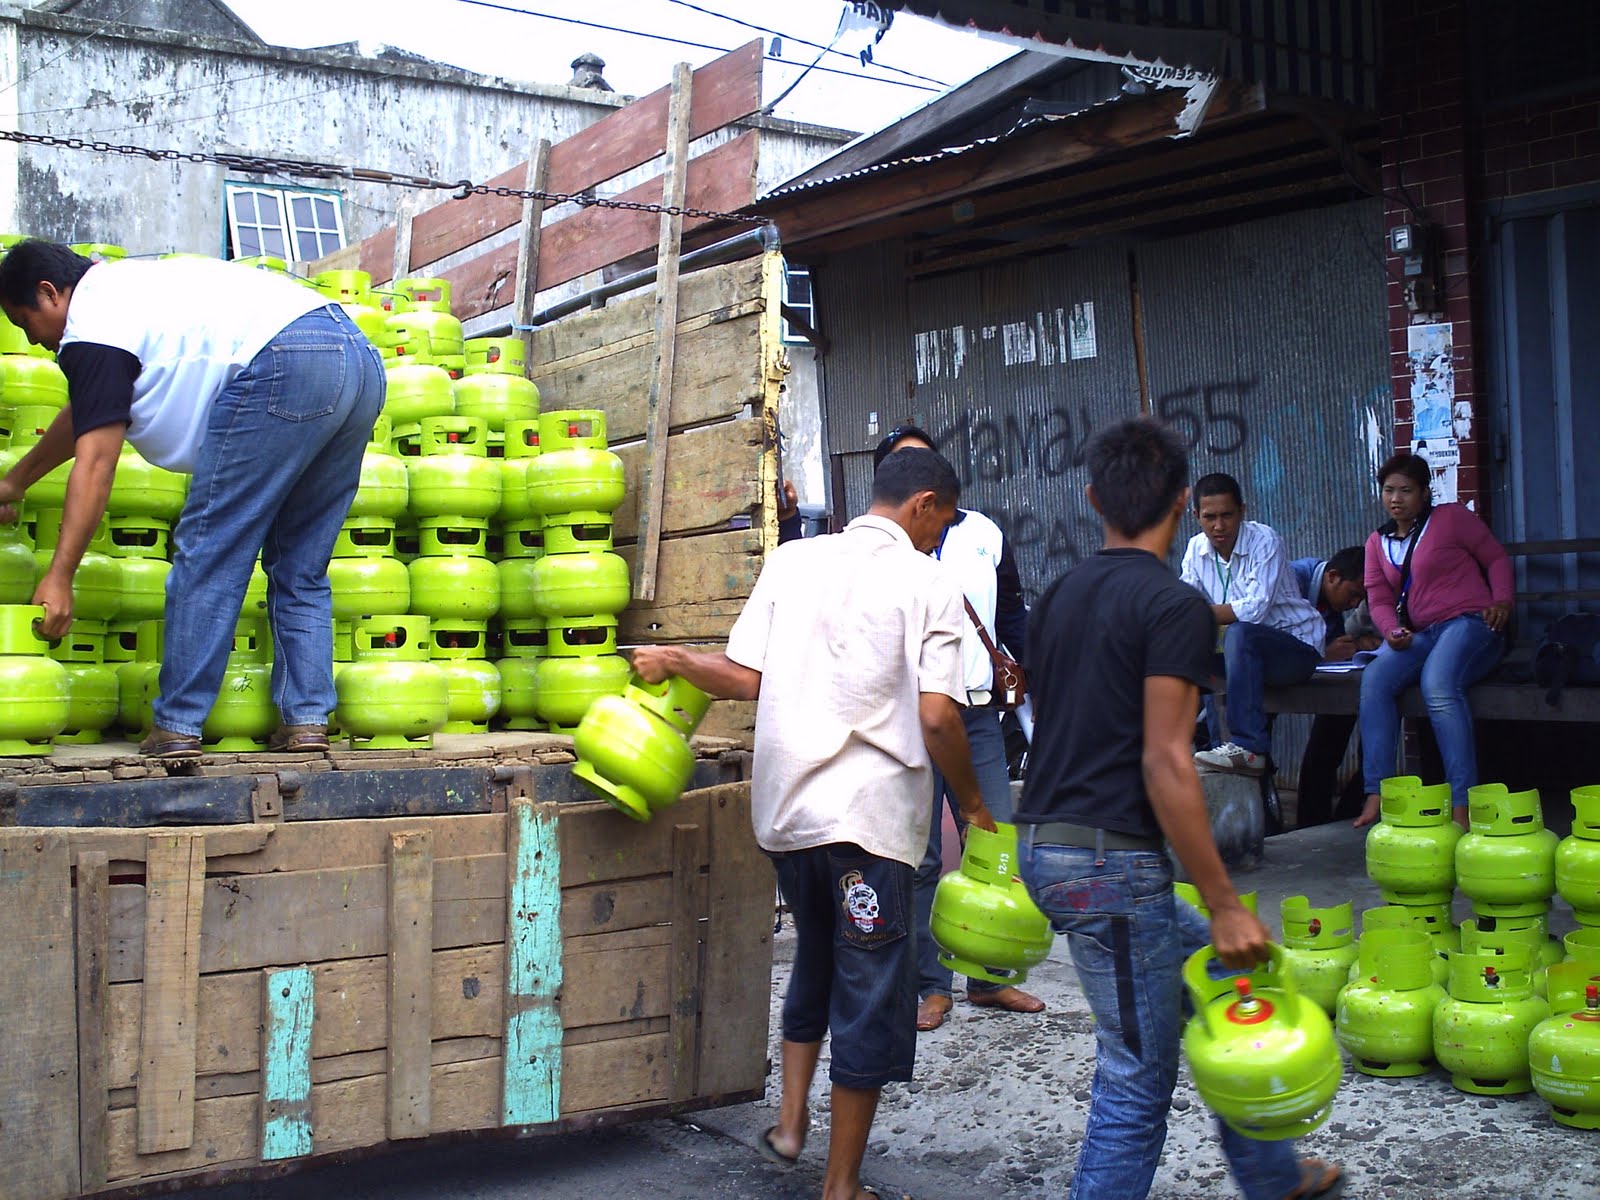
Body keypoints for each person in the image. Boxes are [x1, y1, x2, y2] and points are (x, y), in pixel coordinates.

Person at [631, 447, 993, 1200]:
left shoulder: (794, 562)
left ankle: (792, 1124)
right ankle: (841, 1185)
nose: (941, 536)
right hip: (869, 827)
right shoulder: (930, 582)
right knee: (868, 993)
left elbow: (745, 679)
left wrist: (674, 659)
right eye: (943, 522)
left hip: (789, 817)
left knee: (817, 960)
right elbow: (938, 718)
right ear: (924, 505)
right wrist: (976, 806)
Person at [1015, 417, 1343, 1200]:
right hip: (1107, 866)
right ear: (1183, 501)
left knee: (1222, 981)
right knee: (1136, 1079)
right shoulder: (1175, 605)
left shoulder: (1057, 594)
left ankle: (1273, 1175)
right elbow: (1166, 759)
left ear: (1094, 498)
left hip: (1053, 848)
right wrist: (1226, 902)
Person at [0, 240, 385, 759]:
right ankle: (307, 720)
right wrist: (17, 480)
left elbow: (96, 461)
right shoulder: (130, 289)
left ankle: (178, 725)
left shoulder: (90, 321)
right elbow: (88, 413)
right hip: (356, 357)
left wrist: (60, 574)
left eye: (26, 324)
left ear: (49, 293)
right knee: (301, 565)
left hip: (285, 361)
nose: (37, 341)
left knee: (211, 551)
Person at [870, 424, 1043, 1032]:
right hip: (909, 720)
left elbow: (1012, 611)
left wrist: (1029, 683)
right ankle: (931, 987)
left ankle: (989, 981)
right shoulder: (876, 546)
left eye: (923, 460)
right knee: (919, 859)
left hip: (976, 718)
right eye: (901, 463)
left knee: (993, 848)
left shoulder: (983, 533)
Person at [1353, 453, 1512, 829]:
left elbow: (1496, 559)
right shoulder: (1377, 542)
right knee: (1374, 680)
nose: (1396, 499)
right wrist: (1391, 630)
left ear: (1425, 493)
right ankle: (1376, 792)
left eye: (1406, 490)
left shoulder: (1451, 519)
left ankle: (1462, 804)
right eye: (1389, 490)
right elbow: (1377, 597)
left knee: (1437, 684)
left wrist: (1502, 600)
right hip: (1423, 635)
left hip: (1470, 625)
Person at [1179, 473, 1325, 776]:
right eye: (1210, 517)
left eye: (1227, 515)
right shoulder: (1196, 549)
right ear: (1196, 516)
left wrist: (1196, 614)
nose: (1219, 526)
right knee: (1177, 642)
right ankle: (1190, 744)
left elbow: (1254, 610)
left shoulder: (1265, 540)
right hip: (1241, 655)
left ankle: (1249, 747)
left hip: (1294, 651)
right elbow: (1185, 603)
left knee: (1239, 632)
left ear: (1242, 512)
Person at [1291, 548, 1381, 828]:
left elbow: (1337, 645)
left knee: (1338, 719)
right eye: (1353, 594)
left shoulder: (1332, 608)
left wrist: (1355, 645)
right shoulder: (1293, 580)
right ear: (1333, 577)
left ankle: (1333, 815)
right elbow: (1272, 636)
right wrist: (1321, 653)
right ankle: (1304, 820)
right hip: (1262, 678)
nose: (1355, 603)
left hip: (1318, 679)